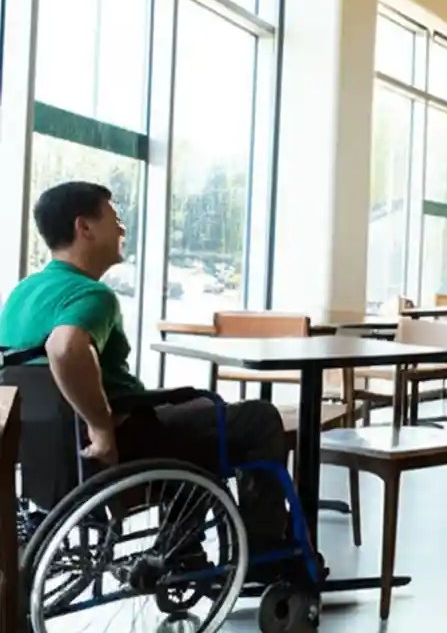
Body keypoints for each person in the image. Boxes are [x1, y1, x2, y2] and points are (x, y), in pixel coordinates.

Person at [0, 181, 289, 557]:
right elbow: (64, 347)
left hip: (51, 456)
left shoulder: (22, 293)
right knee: (258, 419)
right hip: (119, 442)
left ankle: (182, 549)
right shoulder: (91, 294)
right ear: (83, 228)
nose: (122, 228)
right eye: (114, 218)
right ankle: (263, 556)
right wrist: (101, 428)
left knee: (195, 418)